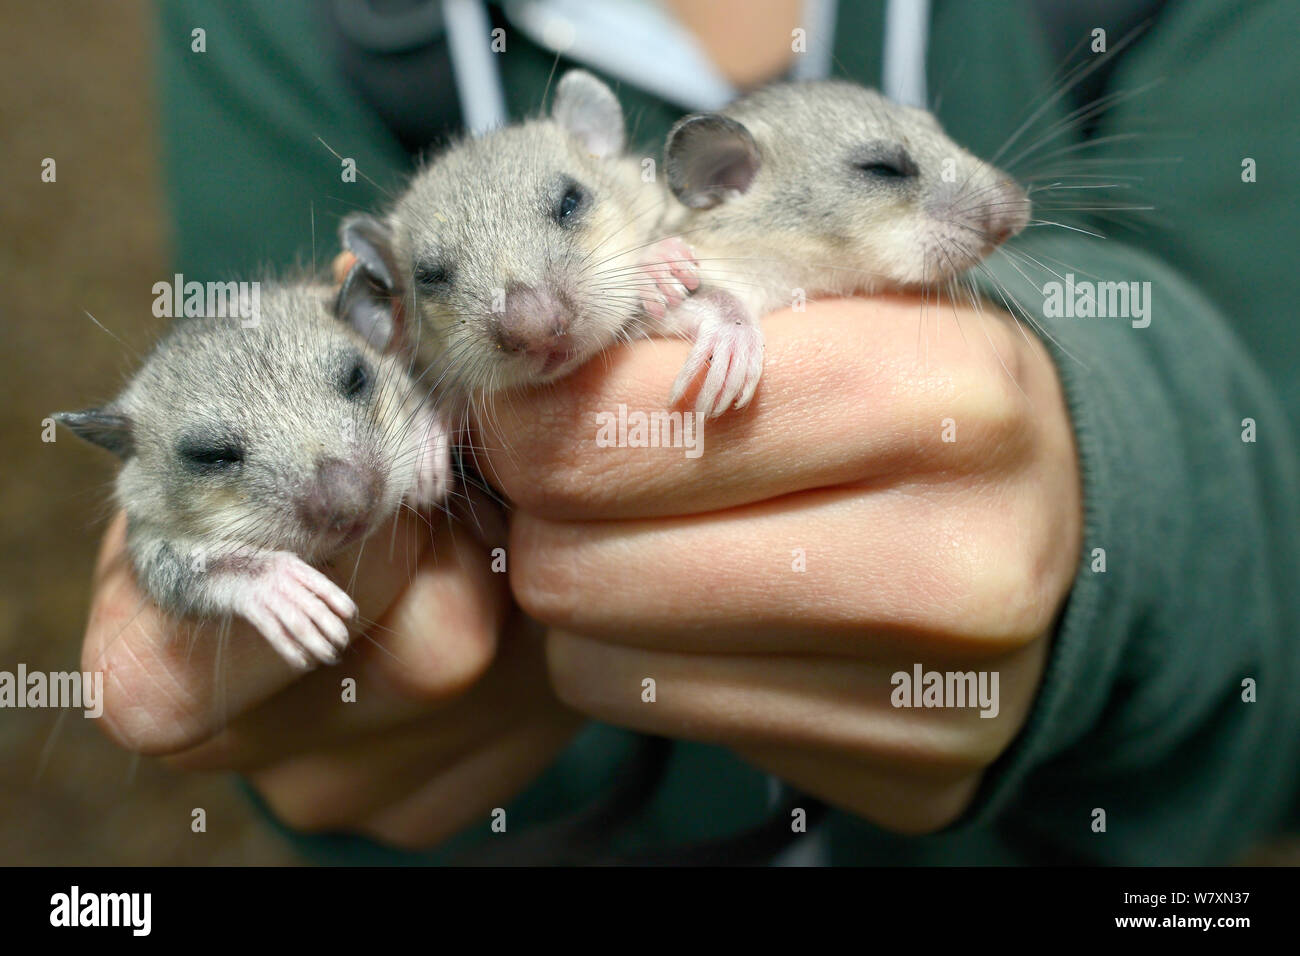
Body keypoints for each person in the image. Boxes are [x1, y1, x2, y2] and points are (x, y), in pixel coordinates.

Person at [81, 0, 1300, 864]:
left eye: (567, 214)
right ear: (386, 305)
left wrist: (1118, 509)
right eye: (452, 286)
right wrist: (308, 719)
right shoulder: (286, 31)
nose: (532, 316)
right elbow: (266, 417)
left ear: (609, 156)